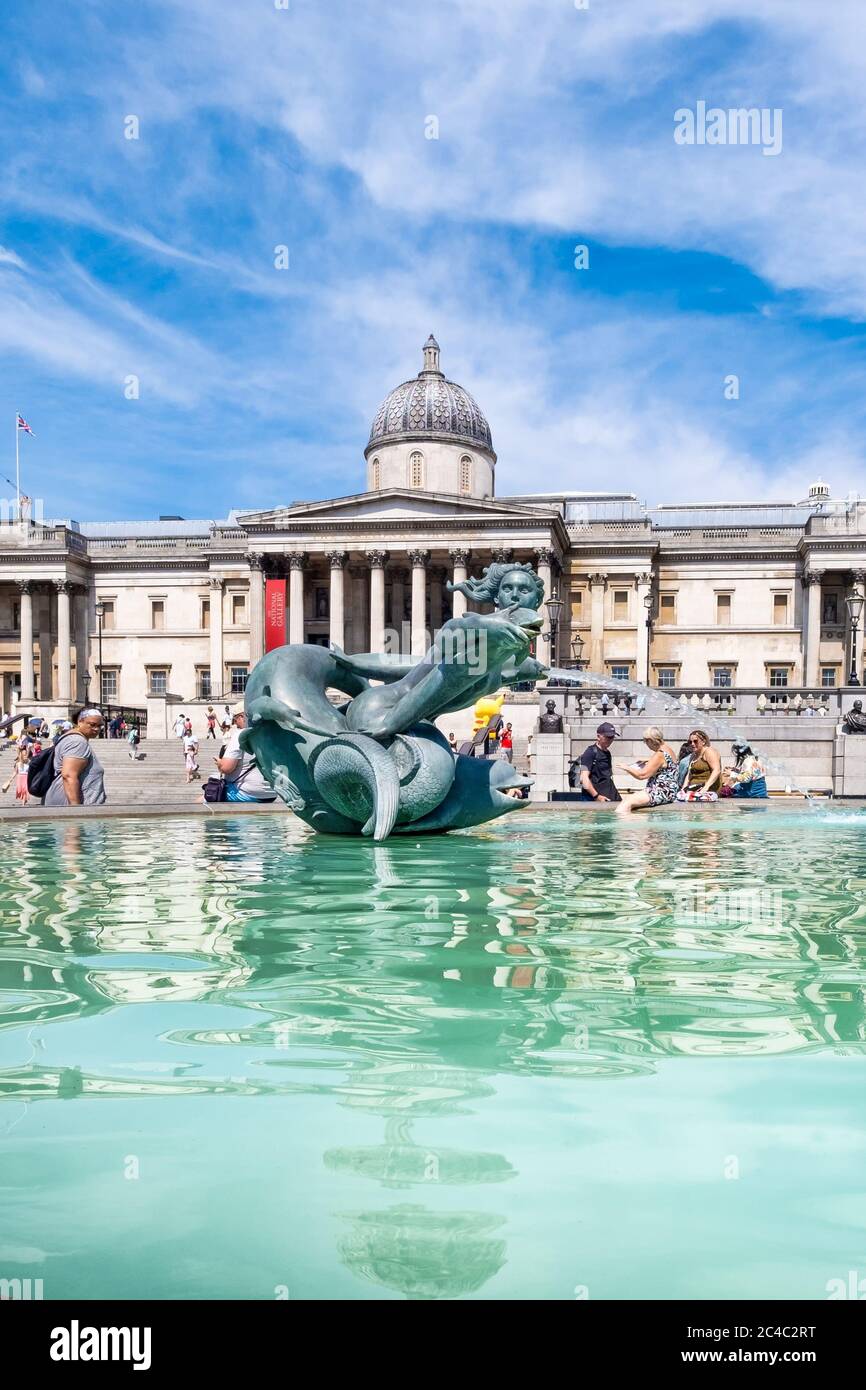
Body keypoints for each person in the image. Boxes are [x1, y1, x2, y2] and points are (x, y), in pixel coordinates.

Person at [213, 704, 276, 802]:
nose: (235, 724)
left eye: (235, 719)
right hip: (272, 793)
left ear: (242, 717)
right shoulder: (272, 734)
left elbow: (227, 768)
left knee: (202, 800)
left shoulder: (240, 734)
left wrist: (220, 763)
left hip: (248, 792)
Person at [43, 709, 107, 807]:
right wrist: (75, 811)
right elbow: (69, 776)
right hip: (71, 805)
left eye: (99, 726)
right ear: (80, 721)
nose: (97, 729)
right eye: (92, 724)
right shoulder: (77, 742)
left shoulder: (71, 738)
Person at [616, 726, 679, 814]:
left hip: (660, 791)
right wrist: (648, 761)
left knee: (626, 803)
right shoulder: (668, 750)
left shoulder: (659, 754)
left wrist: (627, 767)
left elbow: (642, 775)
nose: (646, 744)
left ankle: (624, 826)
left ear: (651, 740)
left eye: (646, 741)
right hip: (670, 791)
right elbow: (666, 766)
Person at [577, 721, 621, 802]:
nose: (610, 740)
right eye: (607, 737)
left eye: (612, 737)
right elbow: (583, 778)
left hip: (608, 797)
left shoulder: (607, 753)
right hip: (593, 799)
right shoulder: (589, 752)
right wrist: (597, 796)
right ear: (598, 736)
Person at [676, 729, 721, 802]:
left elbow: (717, 770)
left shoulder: (709, 752)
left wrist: (705, 787)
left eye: (695, 741)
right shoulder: (693, 755)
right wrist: (683, 789)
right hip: (693, 789)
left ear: (703, 742)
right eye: (690, 742)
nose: (692, 744)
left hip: (708, 790)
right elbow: (689, 774)